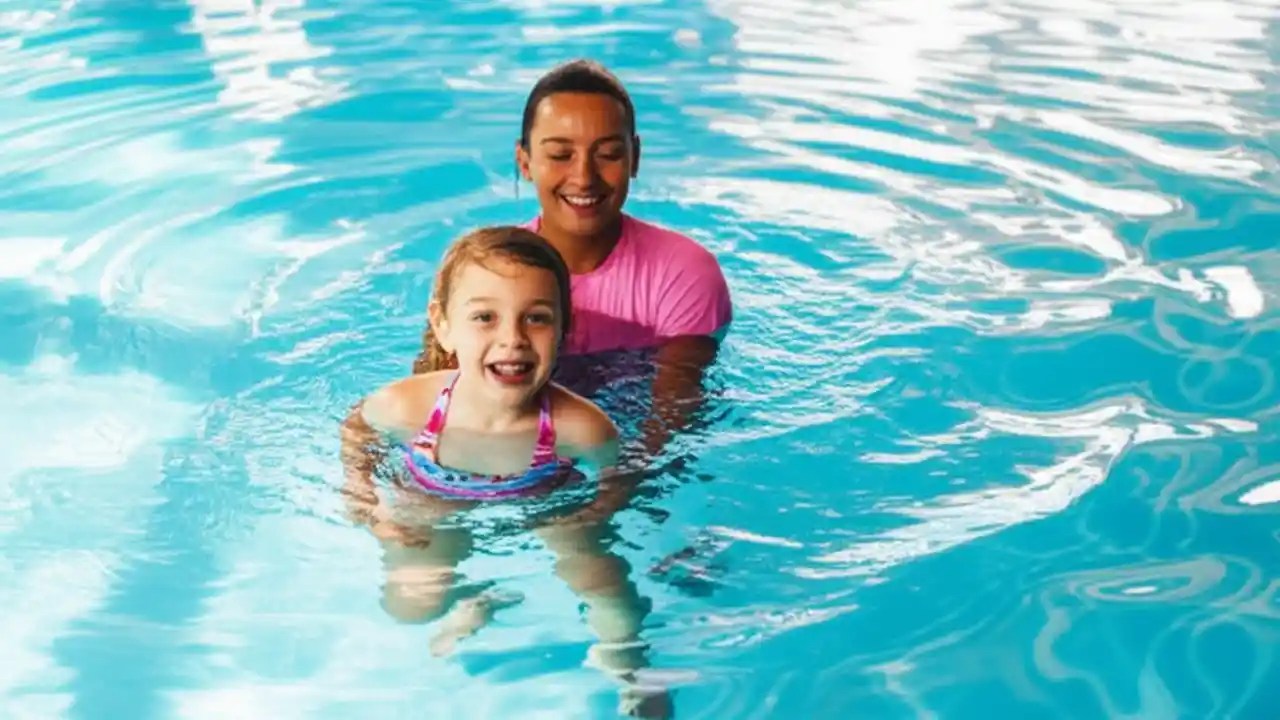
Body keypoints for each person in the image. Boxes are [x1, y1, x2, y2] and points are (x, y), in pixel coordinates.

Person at [342, 226, 671, 718]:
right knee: (411, 605)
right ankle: (470, 599)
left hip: (544, 499)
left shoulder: (579, 427)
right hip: (437, 494)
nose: (511, 339)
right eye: (484, 317)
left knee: (606, 588)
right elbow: (356, 432)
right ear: (444, 324)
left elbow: (616, 476)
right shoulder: (409, 405)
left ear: (564, 329)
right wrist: (364, 497)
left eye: (536, 318)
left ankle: (626, 666)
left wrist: (594, 514)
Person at [413, 58, 732, 468]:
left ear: (635, 157)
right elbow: (434, 384)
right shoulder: (489, 271)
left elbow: (672, 417)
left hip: (618, 444)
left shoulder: (684, 272)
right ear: (525, 162)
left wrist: (611, 489)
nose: (584, 177)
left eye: (609, 154)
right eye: (560, 154)